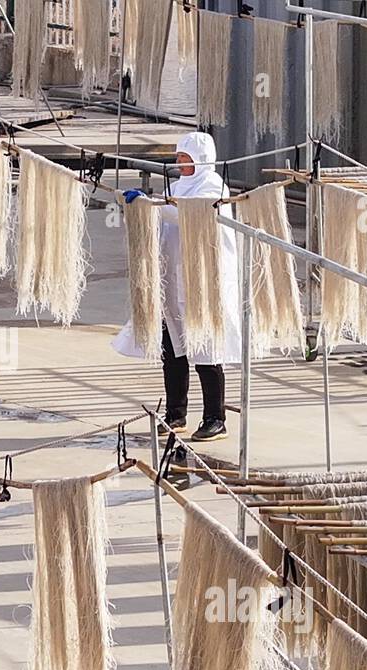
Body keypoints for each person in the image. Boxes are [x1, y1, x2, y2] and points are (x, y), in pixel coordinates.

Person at [113, 131, 241, 442]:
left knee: (206, 351)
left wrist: (151, 204)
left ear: (201, 160)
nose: (181, 164)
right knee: (172, 352)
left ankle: (215, 418)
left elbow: (191, 216)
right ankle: (176, 415)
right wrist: (143, 208)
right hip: (173, 282)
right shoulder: (177, 187)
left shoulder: (212, 187)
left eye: (186, 159)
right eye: (179, 159)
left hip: (202, 284)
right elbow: (166, 216)